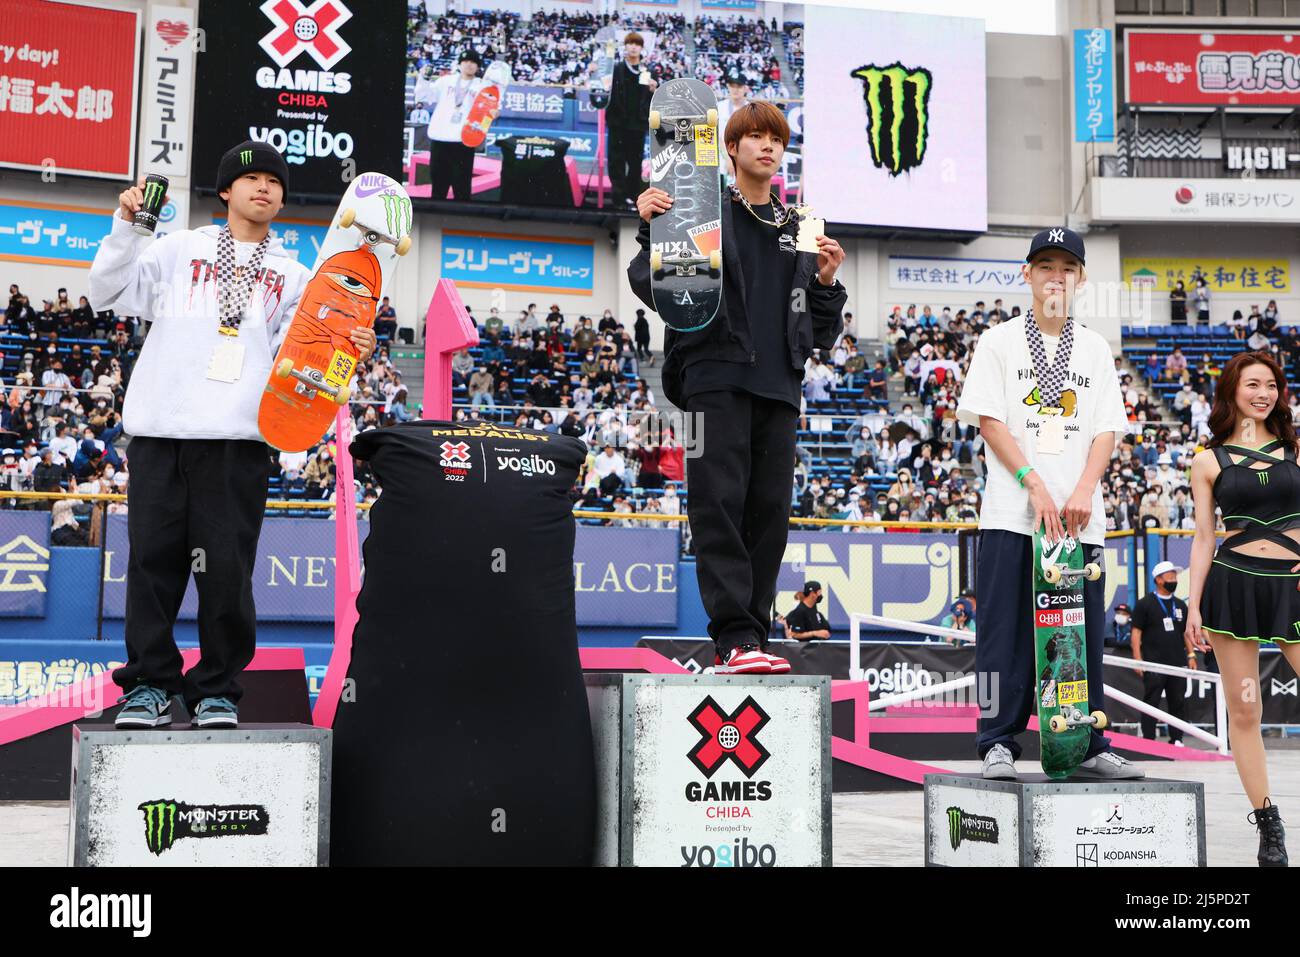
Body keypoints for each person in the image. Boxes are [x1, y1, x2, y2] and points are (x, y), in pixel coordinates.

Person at [88, 140, 376, 731]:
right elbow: (107, 293)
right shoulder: (176, 249)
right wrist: (127, 230)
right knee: (152, 567)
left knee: (226, 571)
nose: (264, 187)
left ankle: (217, 689)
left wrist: (352, 348)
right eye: (251, 179)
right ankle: (147, 686)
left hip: (239, 440)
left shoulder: (297, 277)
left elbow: (304, 360)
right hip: (160, 432)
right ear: (225, 191)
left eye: (275, 181)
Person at [628, 101, 847, 676]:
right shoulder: (697, 208)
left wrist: (826, 281)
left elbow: (819, 331)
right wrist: (652, 227)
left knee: (769, 512)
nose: (766, 146)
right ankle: (732, 638)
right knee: (717, 503)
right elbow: (656, 288)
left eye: (775, 137)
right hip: (712, 378)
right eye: (753, 137)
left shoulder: (800, 225)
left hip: (779, 386)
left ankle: (752, 637)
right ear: (729, 149)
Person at [955, 226, 1143, 782]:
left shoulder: (1094, 349)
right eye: (1045, 266)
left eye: (1066, 267)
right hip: (1013, 514)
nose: (1055, 276)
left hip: (1080, 523)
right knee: (1003, 631)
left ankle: (1083, 741)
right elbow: (990, 420)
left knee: (1078, 634)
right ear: (1027, 274)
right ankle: (998, 742)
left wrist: (1083, 489)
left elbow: (1108, 430)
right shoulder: (999, 341)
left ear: (1080, 278)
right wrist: (1034, 484)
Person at [1187, 350, 1300, 866]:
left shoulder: (1296, 450)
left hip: (1292, 584)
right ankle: (1269, 826)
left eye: (1272, 384)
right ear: (1232, 390)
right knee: (1246, 708)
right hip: (1233, 587)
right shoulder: (1207, 460)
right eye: (1254, 383)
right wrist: (1193, 605)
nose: (1264, 393)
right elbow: (1204, 535)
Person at [1129, 561, 1193, 745]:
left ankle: (1177, 739)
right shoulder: (1145, 604)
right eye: (1170, 577)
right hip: (1153, 663)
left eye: (1175, 577)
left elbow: (1185, 633)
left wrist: (1191, 655)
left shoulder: (1180, 605)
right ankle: (1149, 739)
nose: (1174, 580)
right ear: (1158, 579)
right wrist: (1138, 659)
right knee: (1152, 701)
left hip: (1177, 663)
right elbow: (1136, 633)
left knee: (1178, 702)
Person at [424, 50, 494, 202]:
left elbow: (491, 110)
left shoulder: (482, 86)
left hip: (464, 141)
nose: (469, 65)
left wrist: (492, 115)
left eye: (473, 62)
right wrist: (423, 79)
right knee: (438, 186)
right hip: (440, 138)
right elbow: (424, 96)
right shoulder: (445, 81)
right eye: (466, 61)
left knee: (461, 187)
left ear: (478, 67)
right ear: (459, 64)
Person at [606, 32, 657, 210]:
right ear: (625, 46)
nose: (633, 47)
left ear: (642, 48)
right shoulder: (616, 68)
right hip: (617, 122)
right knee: (616, 161)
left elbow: (649, 101)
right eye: (630, 43)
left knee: (635, 163)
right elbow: (605, 90)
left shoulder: (646, 71)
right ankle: (618, 199)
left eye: (637, 44)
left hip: (637, 124)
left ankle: (632, 197)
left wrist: (653, 90)